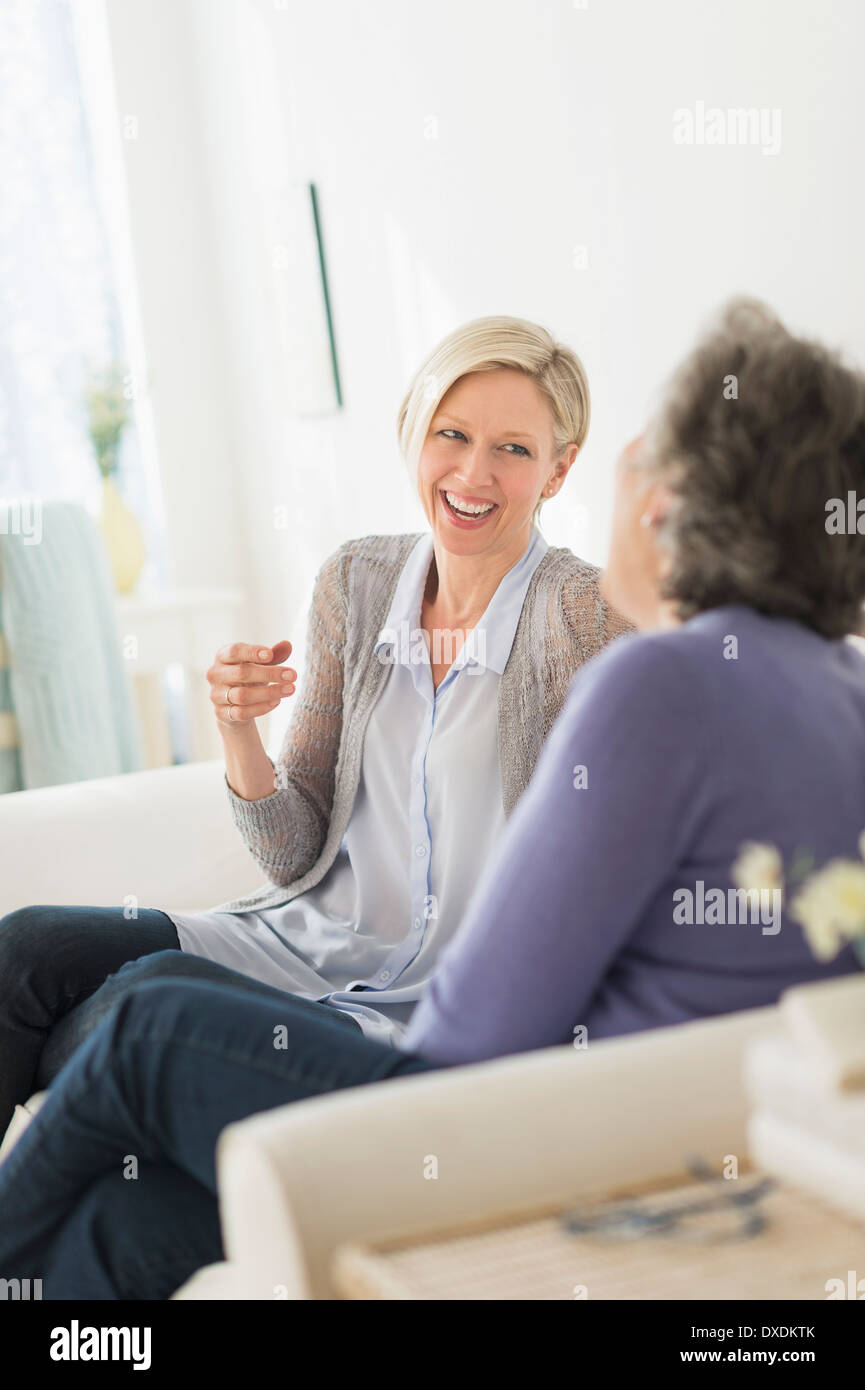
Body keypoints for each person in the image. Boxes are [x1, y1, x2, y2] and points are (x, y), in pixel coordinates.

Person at [2, 296, 864, 1300]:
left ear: (669, 503)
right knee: (126, 1218)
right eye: (452, 434)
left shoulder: (658, 677)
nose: (478, 471)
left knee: (145, 1018)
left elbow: (475, 1025)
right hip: (630, 1129)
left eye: (638, 455)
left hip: (514, 1127)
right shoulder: (837, 685)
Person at [0, 315, 629, 1135]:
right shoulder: (357, 581)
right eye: (452, 434)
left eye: (513, 449)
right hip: (288, 947)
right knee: (23, 952)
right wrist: (235, 729)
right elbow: (293, 848)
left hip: (421, 1009)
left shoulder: (580, 614)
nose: (473, 473)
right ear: (414, 431)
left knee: (137, 1001)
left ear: (557, 470)